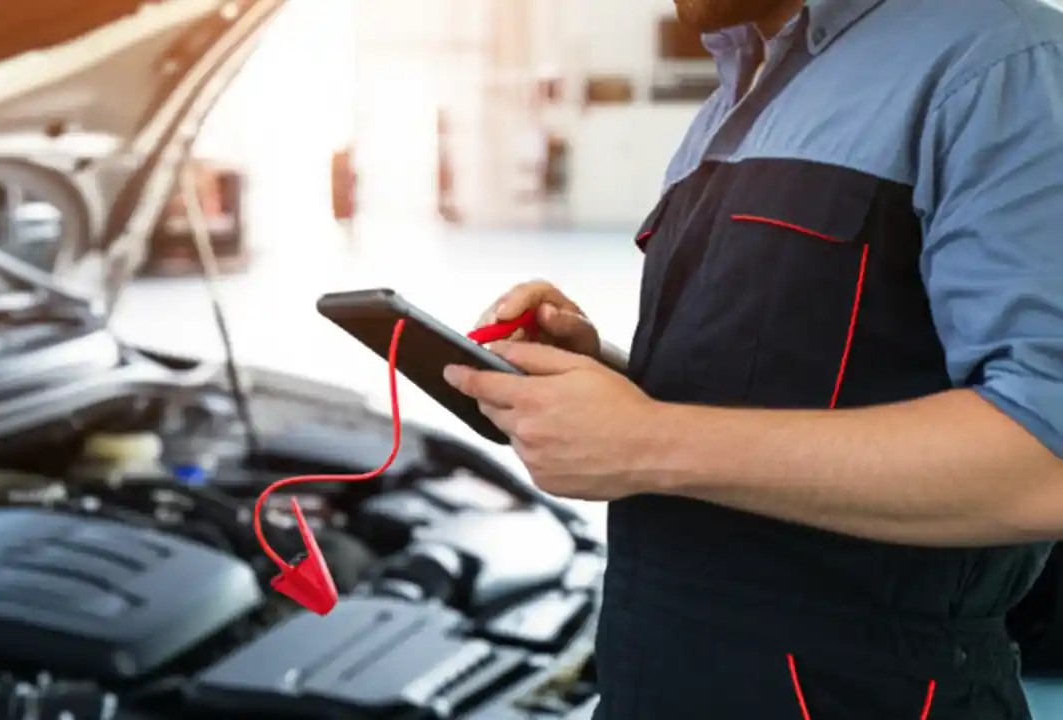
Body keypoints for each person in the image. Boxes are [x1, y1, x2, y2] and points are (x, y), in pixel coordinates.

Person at [443, 0, 1063, 717]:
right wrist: (604, 380)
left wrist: (646, 441)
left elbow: (1044, 465)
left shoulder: (998, 65)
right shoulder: (737, 93)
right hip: (658, 672)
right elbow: (786, 383)